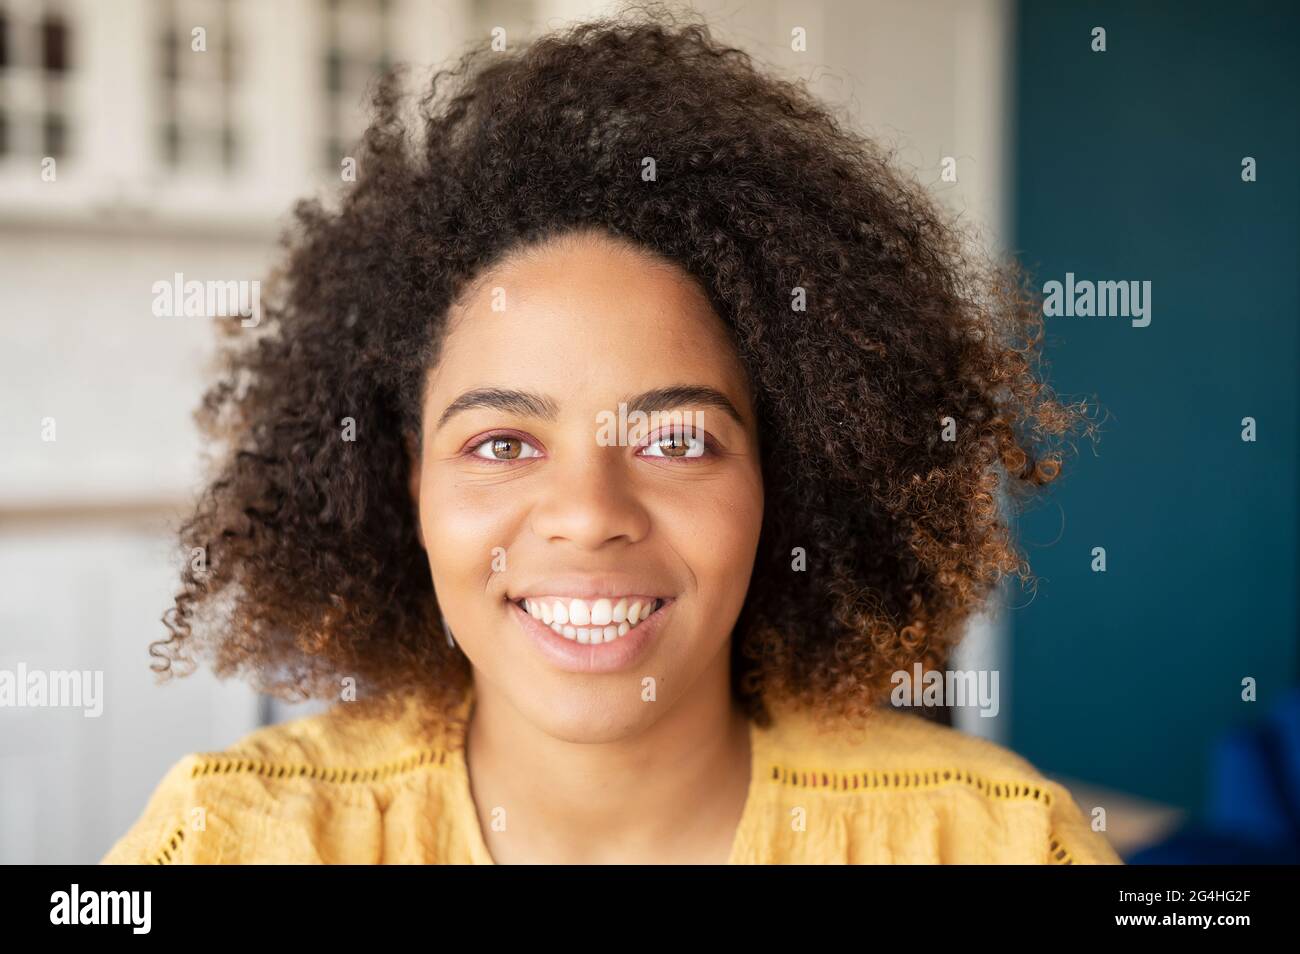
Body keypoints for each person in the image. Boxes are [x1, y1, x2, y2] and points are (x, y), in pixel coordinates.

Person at [102, 6, 1119, 865]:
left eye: (676, 440)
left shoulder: (997, 844)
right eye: (501, 442)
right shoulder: (226, 841)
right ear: (401, 482)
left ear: (787, 479)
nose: (589, 516)